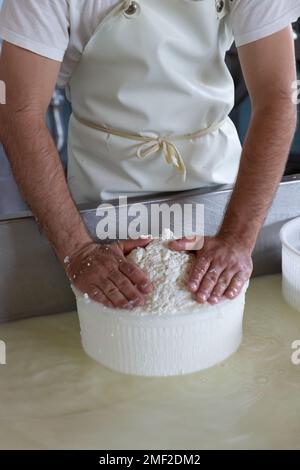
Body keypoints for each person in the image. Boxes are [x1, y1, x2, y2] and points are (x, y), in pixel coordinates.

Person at [0, 0, 299, 309]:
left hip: (215, 187)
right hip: (102, 194)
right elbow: (18, 112)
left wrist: (237, 239)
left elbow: (277, 96)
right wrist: (78, 251)